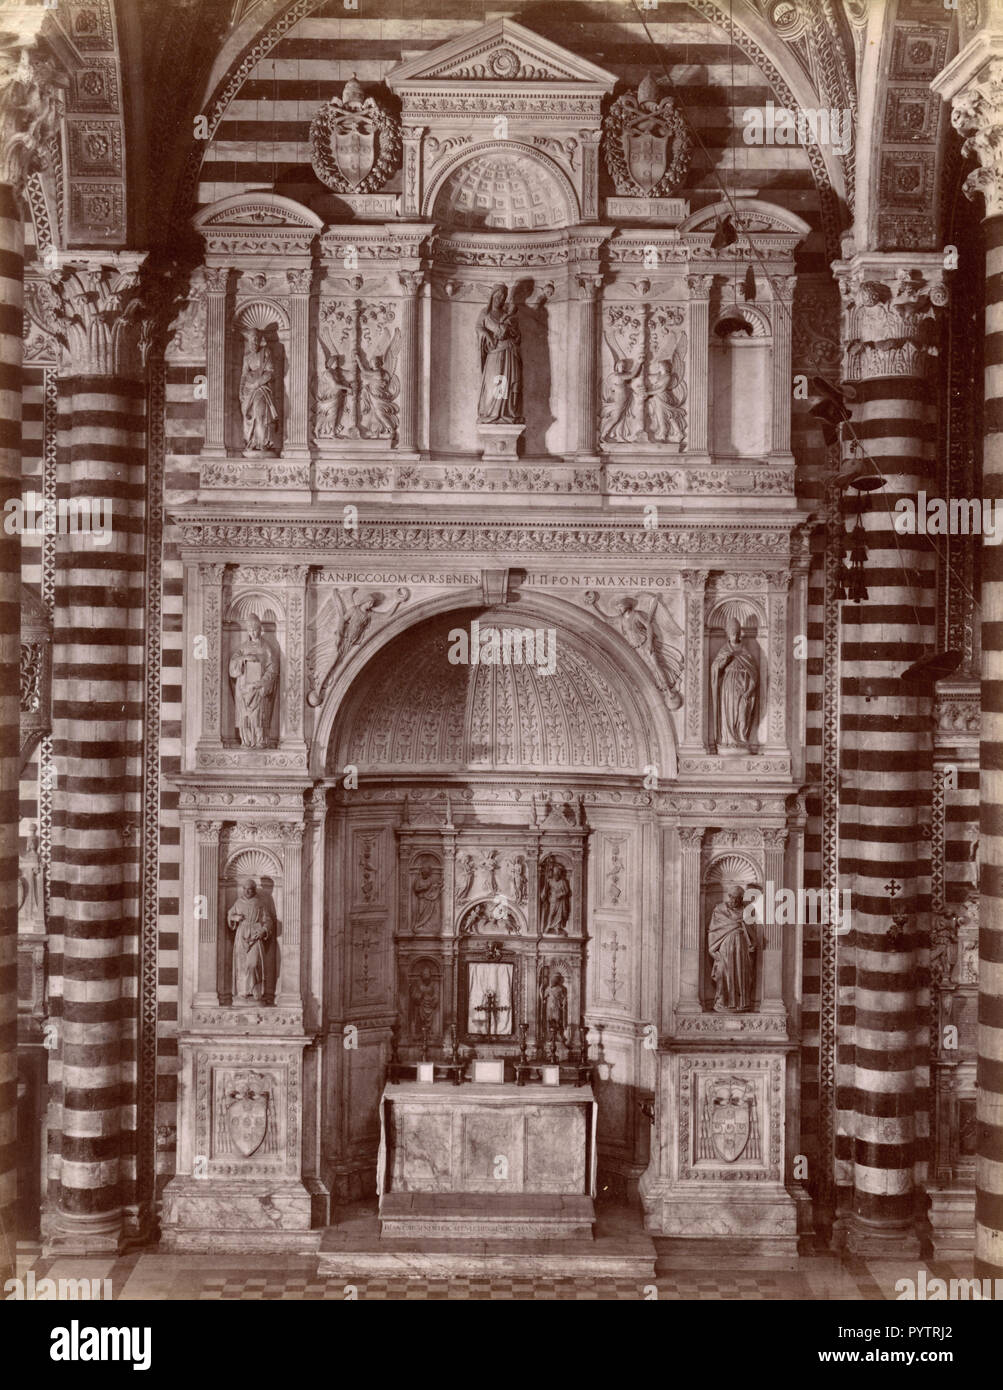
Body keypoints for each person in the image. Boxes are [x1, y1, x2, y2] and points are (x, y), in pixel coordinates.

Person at [710, 614, 759, 751]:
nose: (734, 636)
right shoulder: (724, 650)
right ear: (728, 634)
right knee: (729, 712)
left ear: (739, 634)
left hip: (742, 685)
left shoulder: (745, 650)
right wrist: (725, 660)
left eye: (736, 633)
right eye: (731, 633)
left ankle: (741, 737)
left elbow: (753, 671)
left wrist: (749, 688)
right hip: (728, 685)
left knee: (742, 712)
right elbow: (715, 668)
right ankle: (728, 739)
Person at [229, 614, 277, 748]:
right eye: (250, 630)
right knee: (245, 717)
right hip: (243, 689)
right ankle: (246, 741)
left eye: (255, 629)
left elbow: (272, 670)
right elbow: (233, 667)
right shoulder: (242, 648)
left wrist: (262, 683)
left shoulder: (267, 648)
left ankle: (260, 741)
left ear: (260, 629)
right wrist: (245, 658)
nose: (253, 632)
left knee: (258, 717)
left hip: (258, 689)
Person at [476, 285, 523, 424]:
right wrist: (486, 335)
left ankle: (505, 412)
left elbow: (517, 335)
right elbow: (478, 328)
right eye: (497, 296)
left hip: (508, 352)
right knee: (494, 382)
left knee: (505, 381)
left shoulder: (508, 315)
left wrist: (511, 330)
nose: (500, 299)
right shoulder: (485, 313)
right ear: (492, 296)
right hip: (494, 354)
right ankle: (492, 412)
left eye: (503, 297)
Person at [708, 884, 755, 1012]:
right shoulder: (720, 909)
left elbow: (752, 931)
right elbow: (713, 930)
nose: (734, 900)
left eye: (737, 898)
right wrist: (713, 950)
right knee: (723, 972)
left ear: (741, 898)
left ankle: (741, 1003)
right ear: (729, 896)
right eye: (732, 897)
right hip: (724, 945)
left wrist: (744, 927)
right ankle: (722, 1003)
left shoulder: (746, 911)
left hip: (741, 946)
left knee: (741, 973)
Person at [227, 878, 273, 1001]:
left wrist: (263, 930)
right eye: (246, 889)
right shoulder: (238, 902)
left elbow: (268, 921)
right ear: (243, 890)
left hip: (255, 936)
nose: (248, 892)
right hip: (241, 935)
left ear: (254, 890)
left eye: (250, 889)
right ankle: (243, 991)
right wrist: (235, 918)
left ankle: (255, 991)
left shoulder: (260, 903)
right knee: (242, 964)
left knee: (253, 964)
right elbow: (230, 915)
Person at [239, 328, 278, 454]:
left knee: (260, 413)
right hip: (248, 391)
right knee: (247, 416)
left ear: (259, 340)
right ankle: (250, 442)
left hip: (261, 389)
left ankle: (262, 442)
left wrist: (257, 383)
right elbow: (244, 375)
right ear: (248, 342)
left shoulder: (265, 352)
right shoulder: (247, 357)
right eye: (251, 340)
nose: (253, 343)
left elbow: (270, 372)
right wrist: (240, 390)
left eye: (256, 340)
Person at [541, 860, 571, 935]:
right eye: (555, 874)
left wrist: (561, 894)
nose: (556, 875)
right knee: (551, 913)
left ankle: (557, 928)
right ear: (554, 874)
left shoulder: (563, 882)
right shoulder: (549, 881)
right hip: (553, 900)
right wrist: (543, 895)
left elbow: (567, 891)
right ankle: (548, 926)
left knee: (560, 915)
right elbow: (545, 889)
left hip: (561, 901)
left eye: (558, 874)